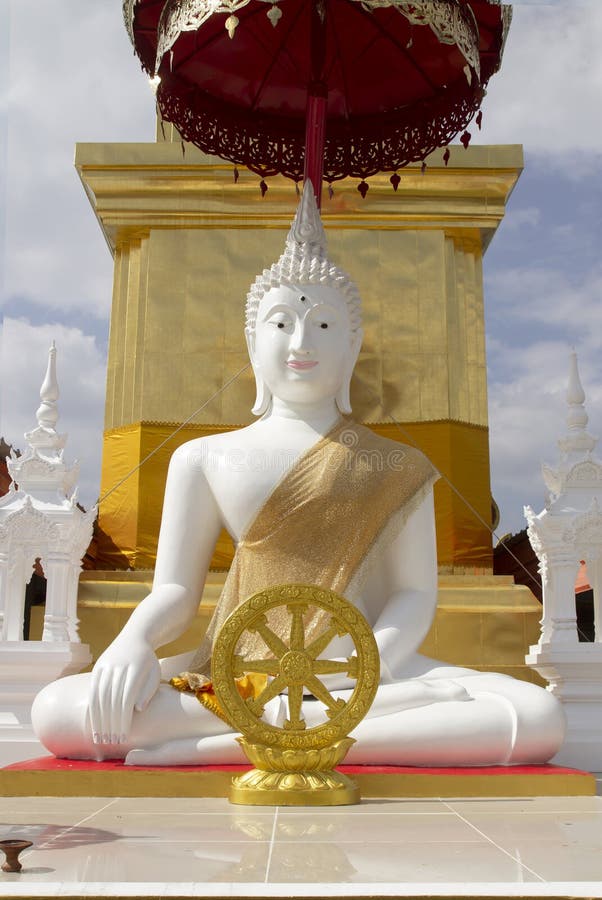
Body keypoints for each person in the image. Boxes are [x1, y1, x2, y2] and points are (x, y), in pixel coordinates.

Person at [32, 185, 564, 766]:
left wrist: (363, 672)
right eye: (282, 323)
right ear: (252, 341)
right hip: (240, 671)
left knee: (538, 719)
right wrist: (135, 640)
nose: (302, 343)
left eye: (326, 327)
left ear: (355, 344)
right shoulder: (204, 457)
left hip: (364, 669)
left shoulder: (396, 463)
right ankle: (299, 730)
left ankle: (222, 746)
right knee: (56, 711)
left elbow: (412, 594)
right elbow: (176, 592)